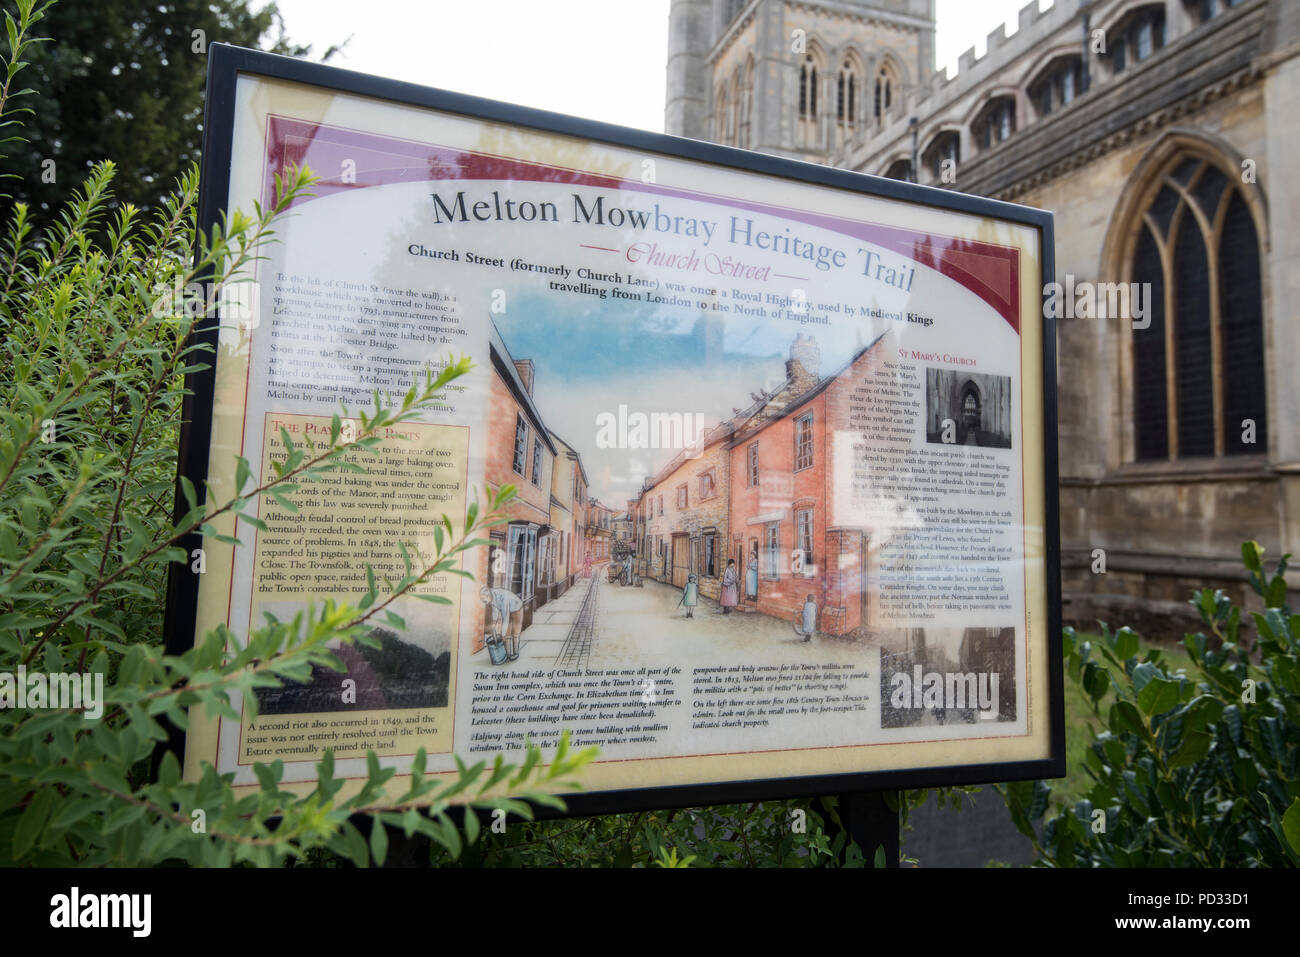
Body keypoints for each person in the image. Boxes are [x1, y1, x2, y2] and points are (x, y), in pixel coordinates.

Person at [479, 585, 524, 662]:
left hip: (517, 608)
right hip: (508, 609)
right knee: (507, 634)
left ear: (488, 595)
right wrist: (493, 624)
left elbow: (505, 618)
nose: (483, 601)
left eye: (483, 599)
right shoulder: (491, 597)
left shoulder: (502, 597)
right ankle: (508, 654)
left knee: (515, 632)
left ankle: (516, 653)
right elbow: (495, 611)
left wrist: (502, 635)